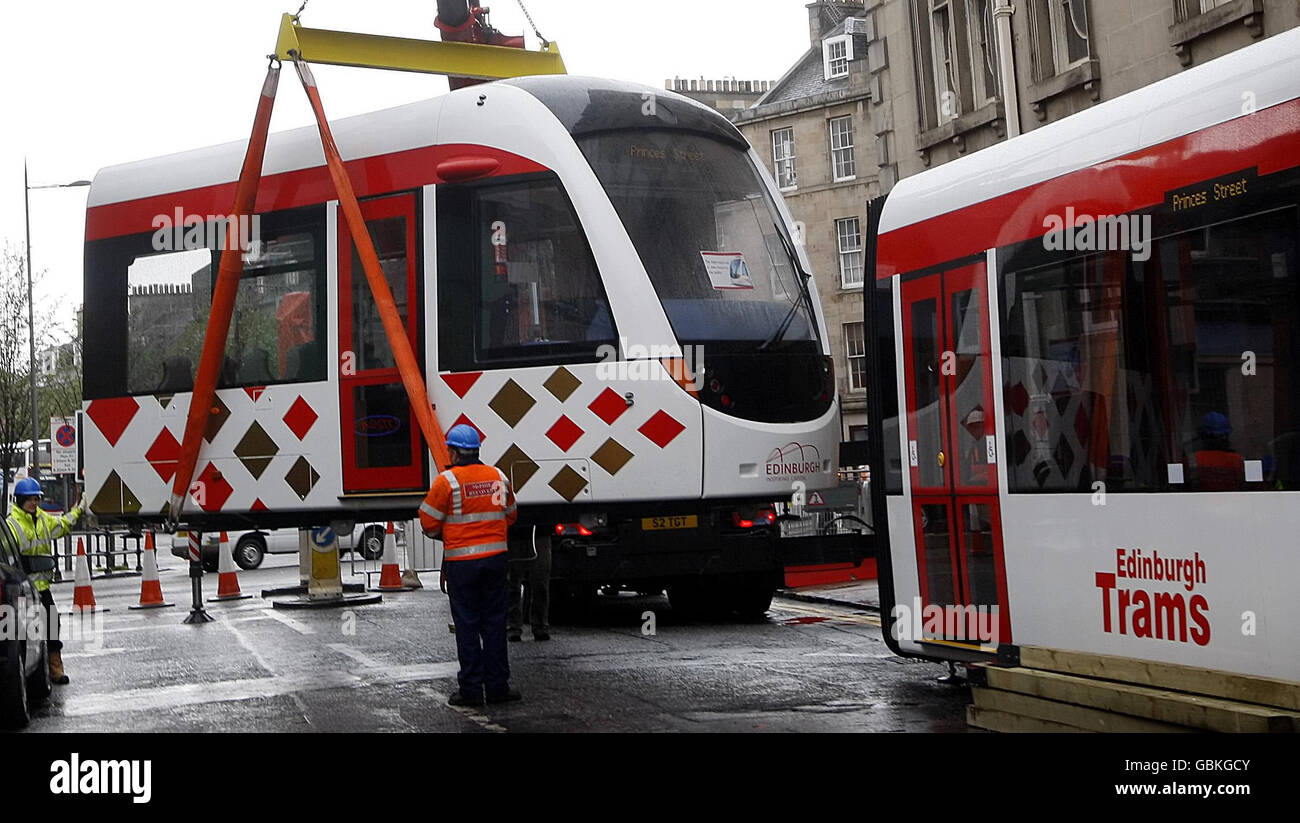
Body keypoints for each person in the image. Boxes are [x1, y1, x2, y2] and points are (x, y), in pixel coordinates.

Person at [419, 424, 521, 707]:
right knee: (494, 624)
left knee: (467, 625)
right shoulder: (498, 477)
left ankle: (472, 690)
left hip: (462, 566)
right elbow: (511, 515)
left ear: (452, 451)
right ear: (476, 450)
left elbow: (428, 523)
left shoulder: (446, 482)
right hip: (496, 561)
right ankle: (499, 688)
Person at [7, 477, 83, 685]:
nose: (34, 503)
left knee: (51, 623)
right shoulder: (12, 524)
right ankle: (29, 672)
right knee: (24, 631)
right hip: (21, 588)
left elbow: (63, 525)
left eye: (37, 499)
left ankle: (55, 668)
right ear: (20, 501)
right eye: (30, 499)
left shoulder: (43, 519)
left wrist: (79, 509)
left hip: (41, 587)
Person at [508, 525, 551, 642]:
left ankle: (540, 625)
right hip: (515, 532)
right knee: (512, 583)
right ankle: (513, 627)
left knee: (540, 583)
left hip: (539, 532)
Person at [1192, 411, 1245, 491]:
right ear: (1226, 436)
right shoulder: (1236, 459)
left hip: (1200, 502)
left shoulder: (1193, 459)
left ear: (1203, 436)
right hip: (1233, 501)